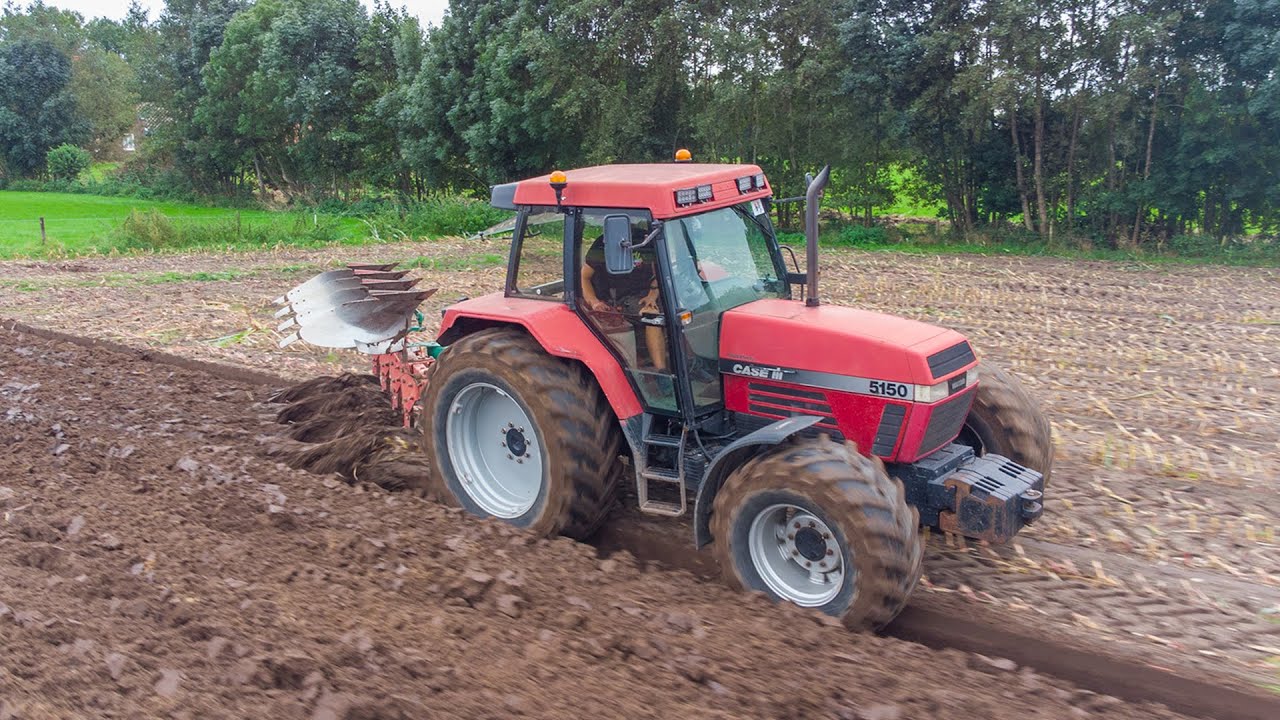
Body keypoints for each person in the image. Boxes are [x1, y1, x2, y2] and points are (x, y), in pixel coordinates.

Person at [580, 227, 669, 371]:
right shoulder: (603, 245)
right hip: (622, 297)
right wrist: (594, 301)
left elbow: (659, 272)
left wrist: (652, 295)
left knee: (680, 308)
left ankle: (691, 362)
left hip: (649, 293)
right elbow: (584, 277)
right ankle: (662, 373)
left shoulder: (646, 239)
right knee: (652, 317)